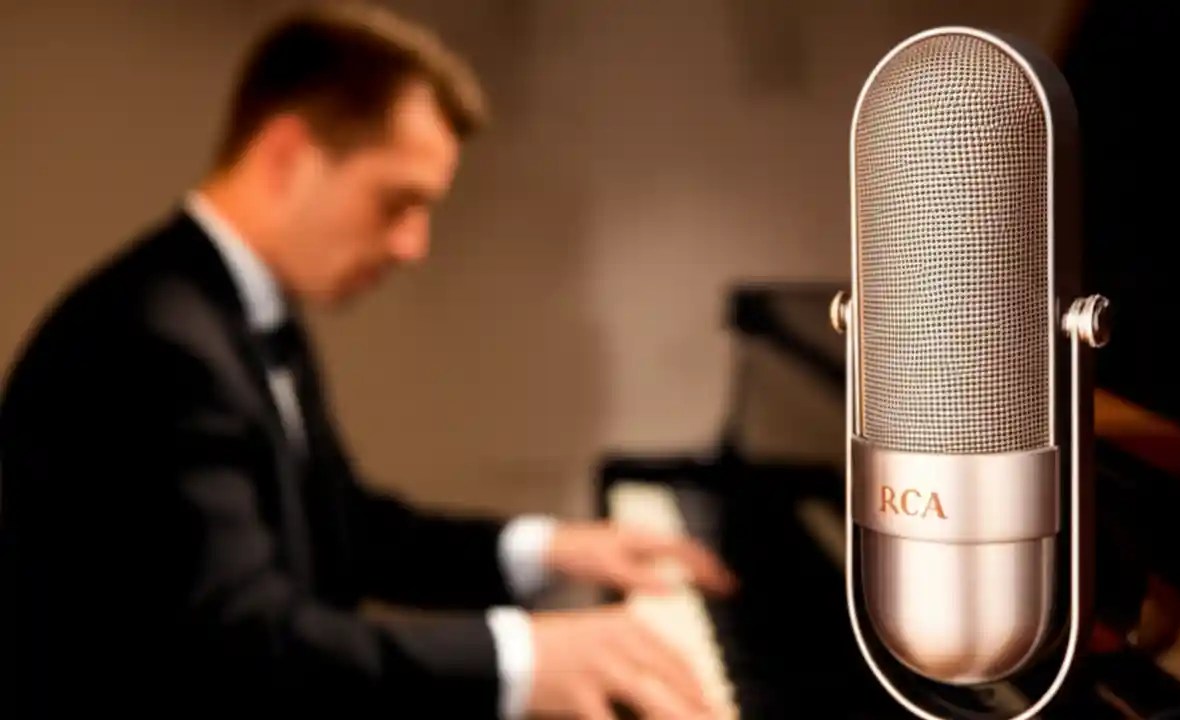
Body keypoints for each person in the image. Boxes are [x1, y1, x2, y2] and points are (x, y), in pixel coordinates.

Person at [0, 4, 737, 718]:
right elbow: (239, 645)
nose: (414, 247)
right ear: (287, 155)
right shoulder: (153, 340)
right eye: (397, 203)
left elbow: (343, 526)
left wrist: (550, 548)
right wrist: (521, 660)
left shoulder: (242, 307)